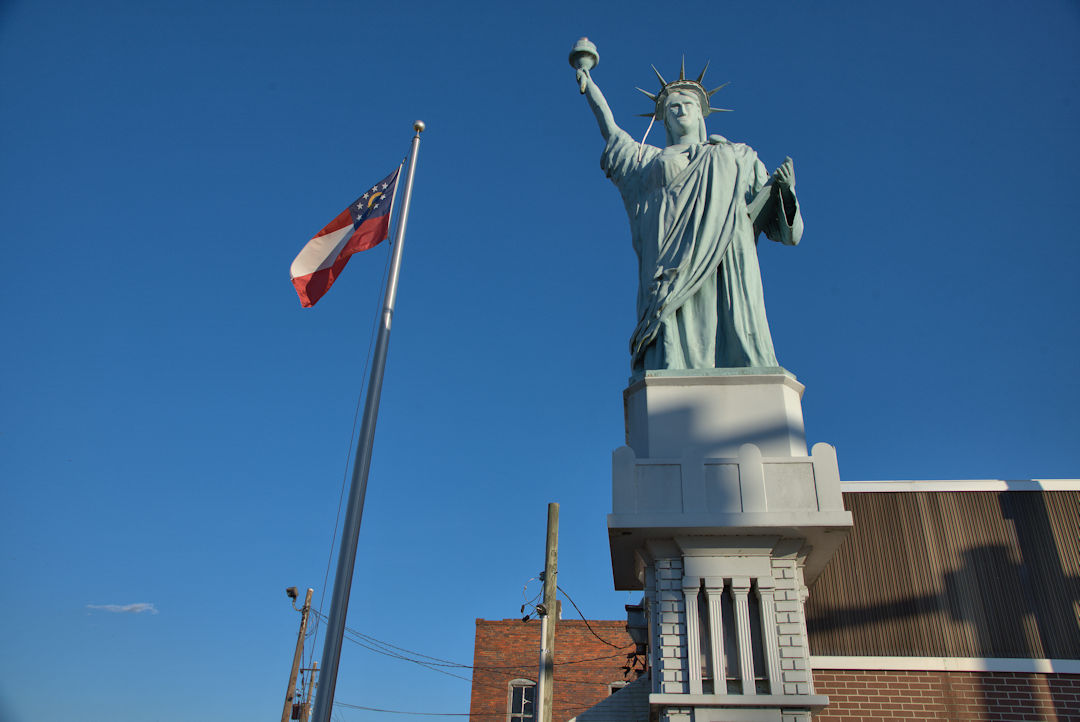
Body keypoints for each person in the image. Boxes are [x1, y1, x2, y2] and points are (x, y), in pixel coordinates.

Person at [576, 60, 803, 371]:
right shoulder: (648, 160)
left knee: (735, 329)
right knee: (670, 345)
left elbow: (781, 230)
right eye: (672, 108)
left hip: (726, 261)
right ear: (664, 120)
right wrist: (590, 87)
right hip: (669, 267)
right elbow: (612, 132)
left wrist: (784, 194)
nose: (680, 111)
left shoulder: (736, 156)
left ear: (700, 114)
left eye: (687, 105)